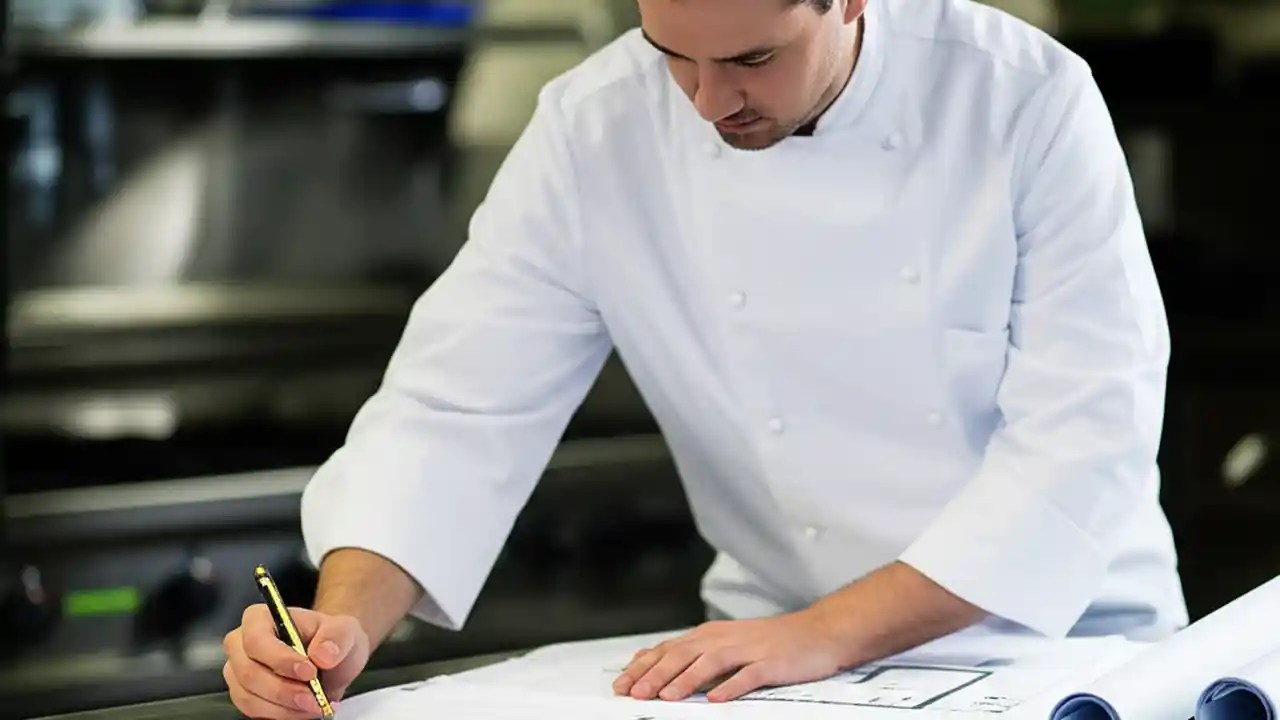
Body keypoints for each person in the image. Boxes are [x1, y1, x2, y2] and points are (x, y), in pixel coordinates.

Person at [222, 0, 1189, 717]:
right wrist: (338, 630)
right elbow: (452, 409)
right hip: (769, 677)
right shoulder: (594, 128)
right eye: (671, 55)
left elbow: (1083, 445)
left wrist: (822, 635)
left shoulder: (1023, 98)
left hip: (1064, 651)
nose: (707, 100)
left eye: (752, 59)